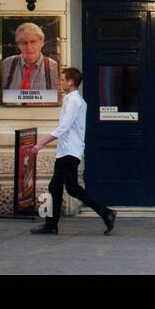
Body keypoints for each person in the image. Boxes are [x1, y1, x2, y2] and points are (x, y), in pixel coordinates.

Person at [30, 67, 116, 236]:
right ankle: (51, 225)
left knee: (72, 188)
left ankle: (105, 212)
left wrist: (41, 144)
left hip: (70, 151)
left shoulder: (74, 101)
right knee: (55, 186)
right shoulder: (71, 100)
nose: (60, 82)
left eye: (63, 79)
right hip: (66, 151)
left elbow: (64, 127)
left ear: (70, 82)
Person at [0, 22, 59, 94]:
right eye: (24, 43)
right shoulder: (7, 64)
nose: (29, 47)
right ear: (18, 45)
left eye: (33, 42)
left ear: (42, 42)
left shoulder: (54, 67)